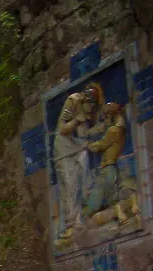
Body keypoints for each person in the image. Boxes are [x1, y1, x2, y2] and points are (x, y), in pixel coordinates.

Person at [53, 84, 103, 242]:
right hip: (63, 148)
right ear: (85, 99)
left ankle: (85, 214)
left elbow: (84, 135)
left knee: (87, 177)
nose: (90, 111)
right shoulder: (73, 101)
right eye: (89, 105)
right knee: (71, 185)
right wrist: (76, 120)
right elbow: (62, 128)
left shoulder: (90, 111)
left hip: (77, 146)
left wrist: (96, 130)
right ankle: (70, 225)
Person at [83, 102, 136, 225]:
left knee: (94, 203)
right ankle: (127, 211)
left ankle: (123, 215)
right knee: (113, 197)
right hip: (112, 167)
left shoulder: (113, 130)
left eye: (107, 116)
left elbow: (101, 145)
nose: (106, 120)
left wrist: (88, 145)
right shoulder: (121, 129)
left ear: (113, 115)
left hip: (107, 168)